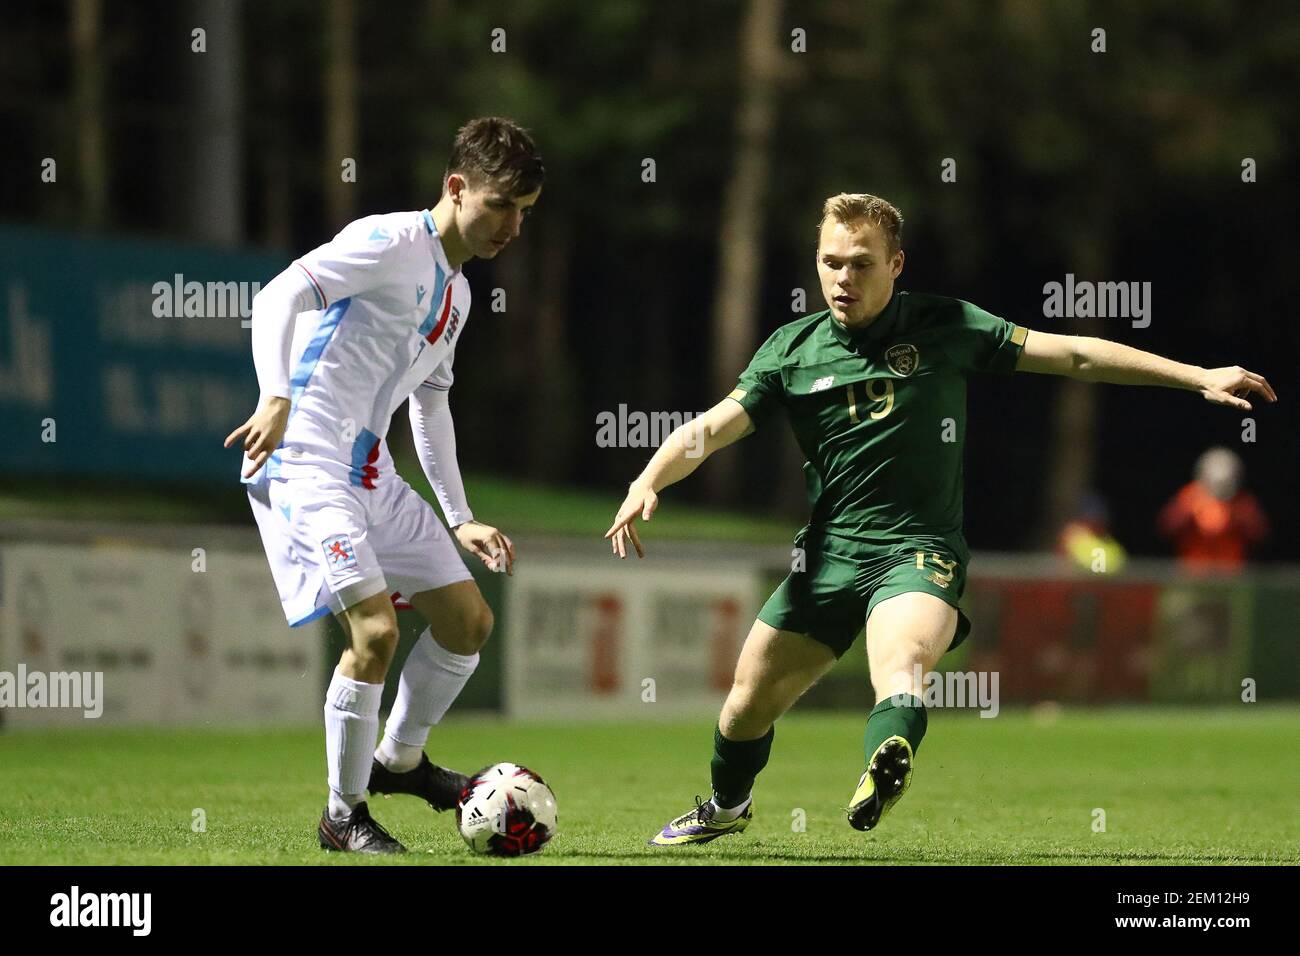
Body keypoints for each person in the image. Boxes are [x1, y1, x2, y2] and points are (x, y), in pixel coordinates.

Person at [604, 192, 1277, 846]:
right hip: (827, 559)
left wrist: (1195, 375)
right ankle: (727, 806)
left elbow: (1072, 353)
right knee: (745, 704)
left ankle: (886, 759)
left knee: (901, 665)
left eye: (862, 262)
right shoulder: (791, 349)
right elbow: (714, 428)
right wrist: (647, 477)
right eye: (831, 261)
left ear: (897, 266)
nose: (843, 278)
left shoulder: (946, 326)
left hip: (918, 551)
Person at [224, 117, 543, 853]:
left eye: (525, 211)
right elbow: (278, 297)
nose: (514, 225)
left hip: (371, 472)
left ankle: (398, 761)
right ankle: (343, 814)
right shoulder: (388, 242)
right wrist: (276, 395)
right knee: (375, 632)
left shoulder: (457, 295)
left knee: (469, 623)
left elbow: (430, 402)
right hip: (303, 457)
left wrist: (458, 515)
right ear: (456, 187)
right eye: (502, 205)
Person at [1158, 447, 1269, 572]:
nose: (1220, 489)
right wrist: (1188, 509)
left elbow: (1260, 534)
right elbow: (1166, 527)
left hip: (1231, 577)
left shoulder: (1242, 502)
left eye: (1225, 484)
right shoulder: (1189, 497)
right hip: (1192, 575)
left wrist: (1239, 514)